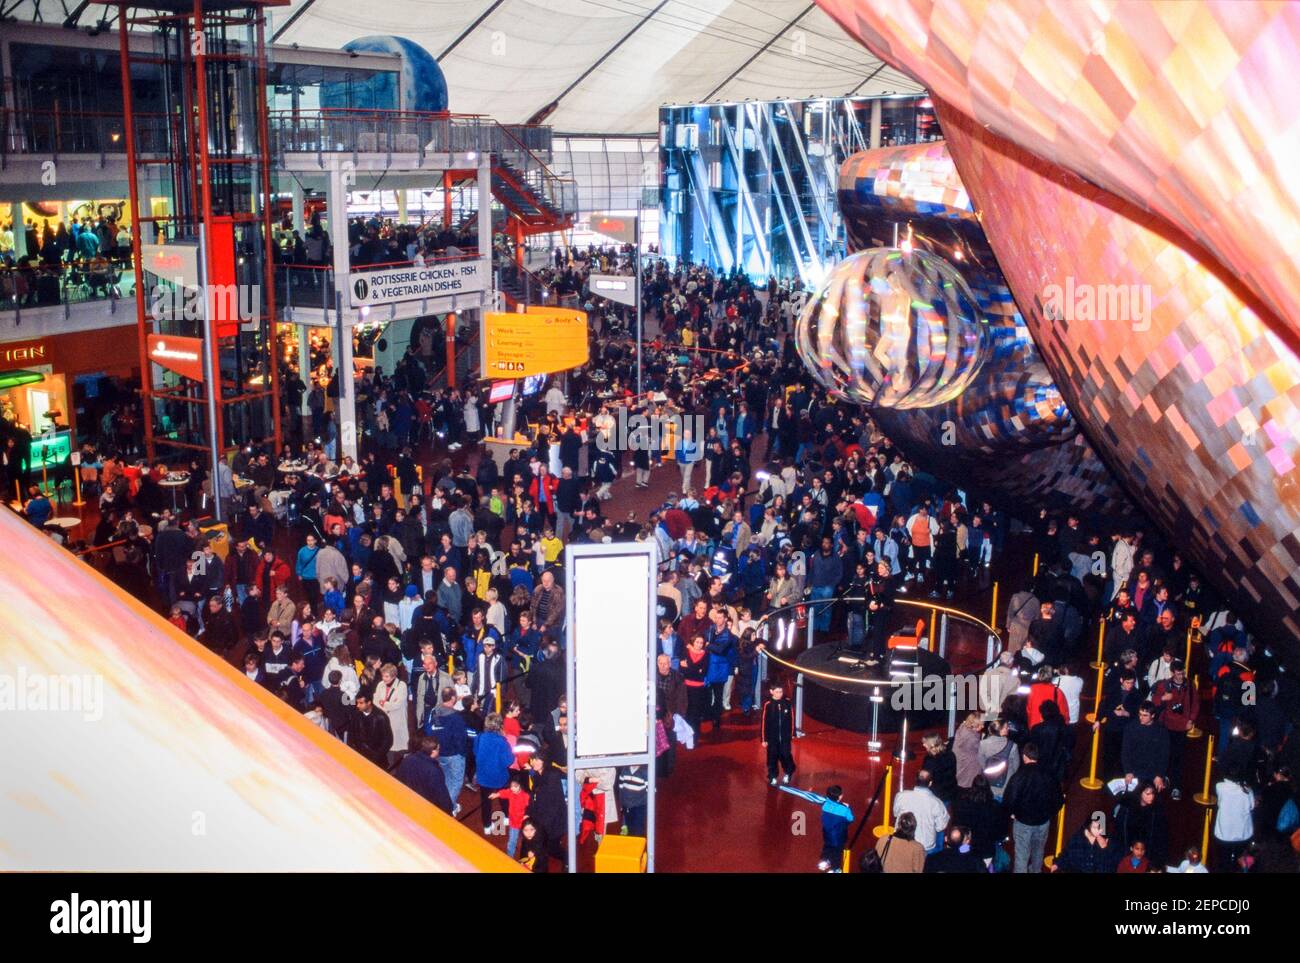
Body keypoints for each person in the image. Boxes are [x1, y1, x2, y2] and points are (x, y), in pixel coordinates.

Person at [1002, 741, 1062, 874]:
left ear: (1024, 756)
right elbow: (1059, 799)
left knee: (1022, 855)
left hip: (1023, 823)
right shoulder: (1049, 775)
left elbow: (1008, 800)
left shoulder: (1018, 777)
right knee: (1038, 851)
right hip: (1043, 822)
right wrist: (1048, 813)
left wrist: (1012, 813)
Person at [475, 713, 516, 835]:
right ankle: (507, 817)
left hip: (483, 776)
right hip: (500, 777)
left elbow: (475, 752)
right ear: (499, 726)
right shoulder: (502, 742)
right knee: (503, 797)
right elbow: (508, 761)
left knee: (486, 802)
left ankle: (487, 826)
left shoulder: (479, 737)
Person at [394, 735, 454, 815]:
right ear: (433, 752)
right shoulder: (434, 770)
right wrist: (449, 811)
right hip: (424, 809)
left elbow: (399, 778)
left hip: (406, 803)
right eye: (438, 749)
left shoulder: (408, 759)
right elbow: (441, 794)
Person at [893, 770, 950, 854]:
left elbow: (895, 814)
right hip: (925, 847)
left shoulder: (901, 796)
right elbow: (941, 827)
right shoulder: (937, 803)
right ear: (930, 783)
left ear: (916, 780)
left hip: (901, 841)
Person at [760, 681, 795, 786]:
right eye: (777, 692)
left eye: (781, 691)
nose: (779, 694)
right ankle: (772, 776)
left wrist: (792, 733)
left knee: (785, 755)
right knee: (772, 758)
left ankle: (788, 772)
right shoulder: (768, 705)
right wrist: (763, 739)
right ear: (771, 692)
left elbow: (791, 719)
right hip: (772, 738)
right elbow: (764, 723)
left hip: (785, 738)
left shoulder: (787, 703)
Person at [349, 689, 393, 769]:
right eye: (357, 702)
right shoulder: (355, 714)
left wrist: (376, 756)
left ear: (369, 703)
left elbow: (388, 741)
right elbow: (352, 735)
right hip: (360, 758)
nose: (357, 705)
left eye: (361, 703)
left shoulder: (381, 717)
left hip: (377, 761)